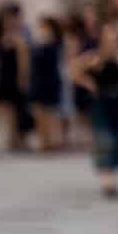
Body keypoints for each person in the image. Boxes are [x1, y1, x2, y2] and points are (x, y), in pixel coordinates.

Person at [69, 21, 118, 198]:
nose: (113, 40)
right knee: (105, 140)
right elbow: (73, 70)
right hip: (101, 103)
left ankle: (112, 172)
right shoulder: (94, 57)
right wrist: (89, 83)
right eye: (109, 37)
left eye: (115, 37)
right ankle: (108, 181)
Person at [0, 2, 32, 152]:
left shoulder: (20, 36)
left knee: (16, 109)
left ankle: (16, 139)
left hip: (14, 76)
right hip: (2, 75)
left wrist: (22, 78)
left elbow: (23, 59)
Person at [29, 16, 66, 151]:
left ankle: (48, 141)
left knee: (49, 112)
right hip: (38, 80)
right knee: (37, 111)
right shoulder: (38, 42)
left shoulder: (56, 43)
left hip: (50, 80)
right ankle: (42, 140)